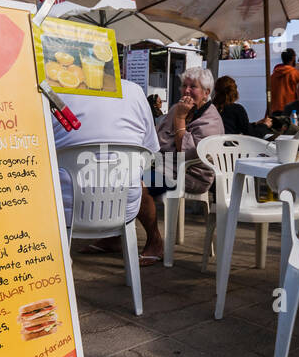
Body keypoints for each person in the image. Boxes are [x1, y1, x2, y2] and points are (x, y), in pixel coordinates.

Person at [52, 78, 160, 250]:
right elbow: (150, 149)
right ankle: (149, 240)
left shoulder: (50, 92)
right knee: (137, 179)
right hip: (124, 208)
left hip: (67, 210)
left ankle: (52, 260)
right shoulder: (134, 91)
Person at [140, 67, 223, 264]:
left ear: (206, 92)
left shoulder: (211, 119)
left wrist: (179, 119)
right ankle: (114, 237)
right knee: (119, 176)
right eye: (184, 86)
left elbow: (186, 154)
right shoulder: (179, 109)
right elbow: (157, 139)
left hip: (190, 174)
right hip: (165, 166)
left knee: (137, 186)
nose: (186, 91)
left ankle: (155, 242)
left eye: (193, 87)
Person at [267, 47, 299, 117]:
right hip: (291, 112)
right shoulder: (296, 74)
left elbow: (268, 94)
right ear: (293, 58)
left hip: (275, 111)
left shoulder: (272, 76)